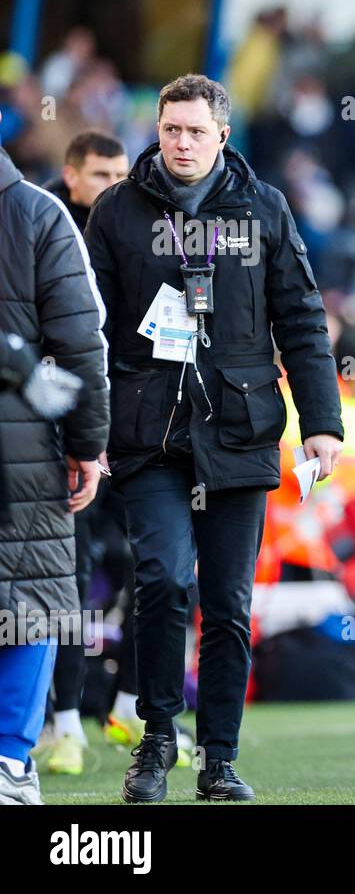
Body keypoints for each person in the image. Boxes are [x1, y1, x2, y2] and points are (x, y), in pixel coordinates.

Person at [85, 74, 344, 802]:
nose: (181, 143)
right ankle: (157, 737)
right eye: (171, 129)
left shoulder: (264, 208)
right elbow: (87, 330)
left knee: (229, 604)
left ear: (223, 136)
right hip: (148, 434)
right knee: (164, 580)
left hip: (240, 431)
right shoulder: (117, 211)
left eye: (196, 131)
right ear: (158, 130)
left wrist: (322, 423)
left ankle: (220, 757)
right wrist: (88, 426)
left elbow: (300, 316)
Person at [0, 129, 109, 805]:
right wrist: (86, 443)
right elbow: (80, 344)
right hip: (27, 444)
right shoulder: (41, 214)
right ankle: (10, 759)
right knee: (31, 599)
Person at [38, 131, 132, 777]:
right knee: (66, 583)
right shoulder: (39, 227)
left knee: (155, 572)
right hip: (62, 439)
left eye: (121, 173)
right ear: (71, 176)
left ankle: (134, 710)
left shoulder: (143, 225)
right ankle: (64, 723)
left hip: (136, 431)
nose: (114, 185)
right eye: (101, 174)